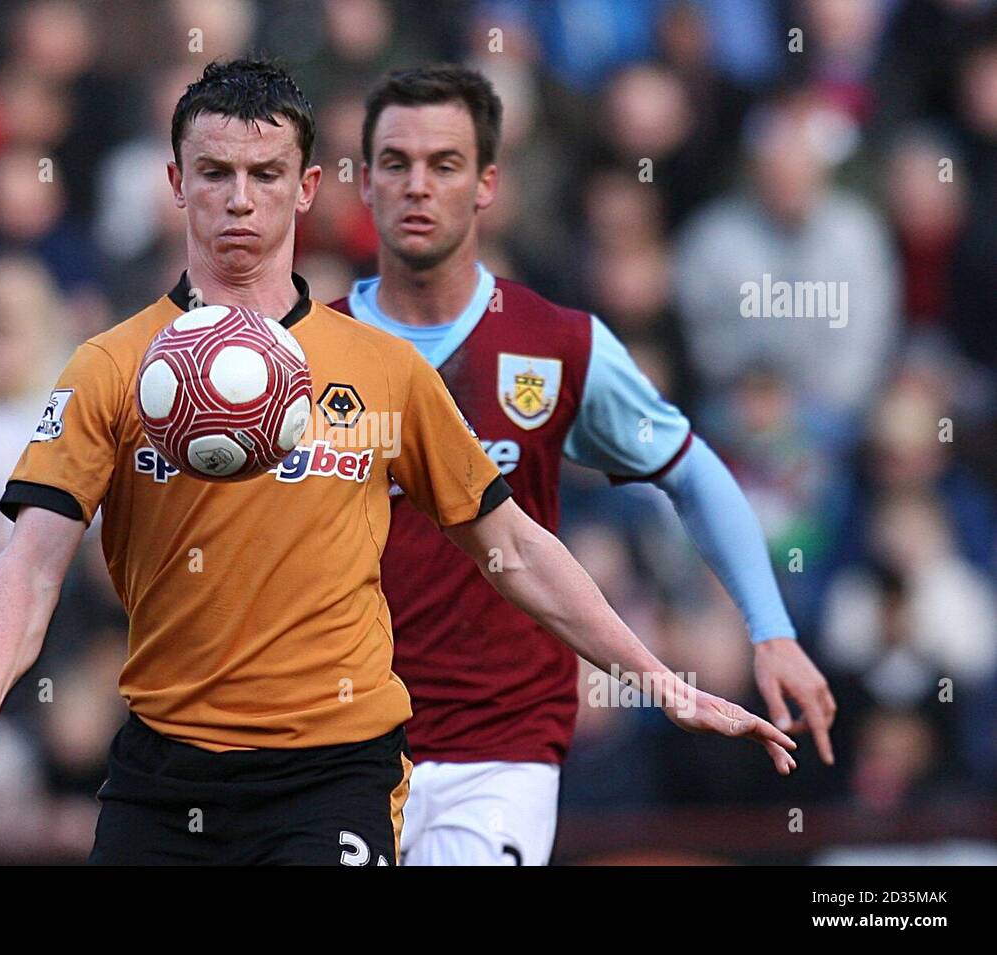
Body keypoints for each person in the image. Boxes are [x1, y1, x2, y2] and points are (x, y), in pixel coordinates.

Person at [0, 58, 796, 866]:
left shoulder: (383, 368)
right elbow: (33, 560)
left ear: (305, 190)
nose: (239, 200)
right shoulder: (111, 365)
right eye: (215, 174)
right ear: (177, 183)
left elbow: (512, 548)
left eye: (265, 177)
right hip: (164, 768)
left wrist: (654, 679)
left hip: (332, 770)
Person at [329, 65, 833, 866]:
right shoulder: (308, 354)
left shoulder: (555, 344)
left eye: (445, 163)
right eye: (395, 162)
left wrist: (770, 631)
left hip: (500, 740)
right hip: (339, 738)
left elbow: (692, 471)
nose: (417, 185)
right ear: (363, 180)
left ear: (489, 182)